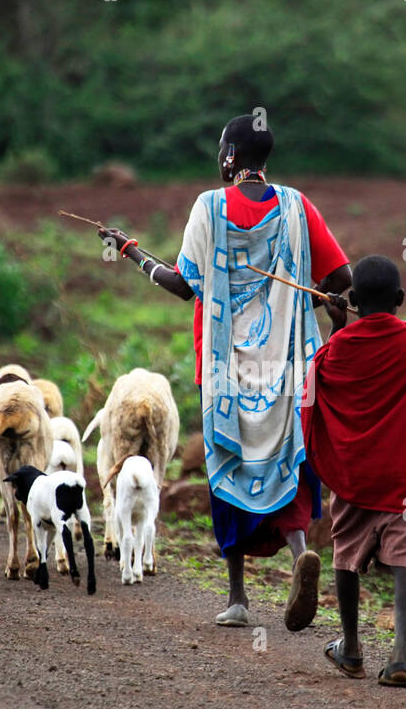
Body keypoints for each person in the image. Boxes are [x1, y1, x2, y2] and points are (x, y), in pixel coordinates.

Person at [98, 114, 350, 630]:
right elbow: (341, 278)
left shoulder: (209, 207)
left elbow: (184, 283)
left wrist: (131, 252)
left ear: (232, 156)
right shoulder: (298, 208)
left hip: (224, 375)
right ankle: (301, 550)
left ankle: (238, 599)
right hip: (287, 371)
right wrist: (328, 302)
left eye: (221, 149)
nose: (219, 157)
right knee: (287, 462)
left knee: (228, 469)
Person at [300, 255, 406, 686]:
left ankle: (350, 649)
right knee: (405, 556)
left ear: (350, 301)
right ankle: (400, 657)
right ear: (401, 299)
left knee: (346, 554)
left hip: (355, 473)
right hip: (402, 478)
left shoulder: (340, 346)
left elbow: (315, 389)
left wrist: (337, 326)